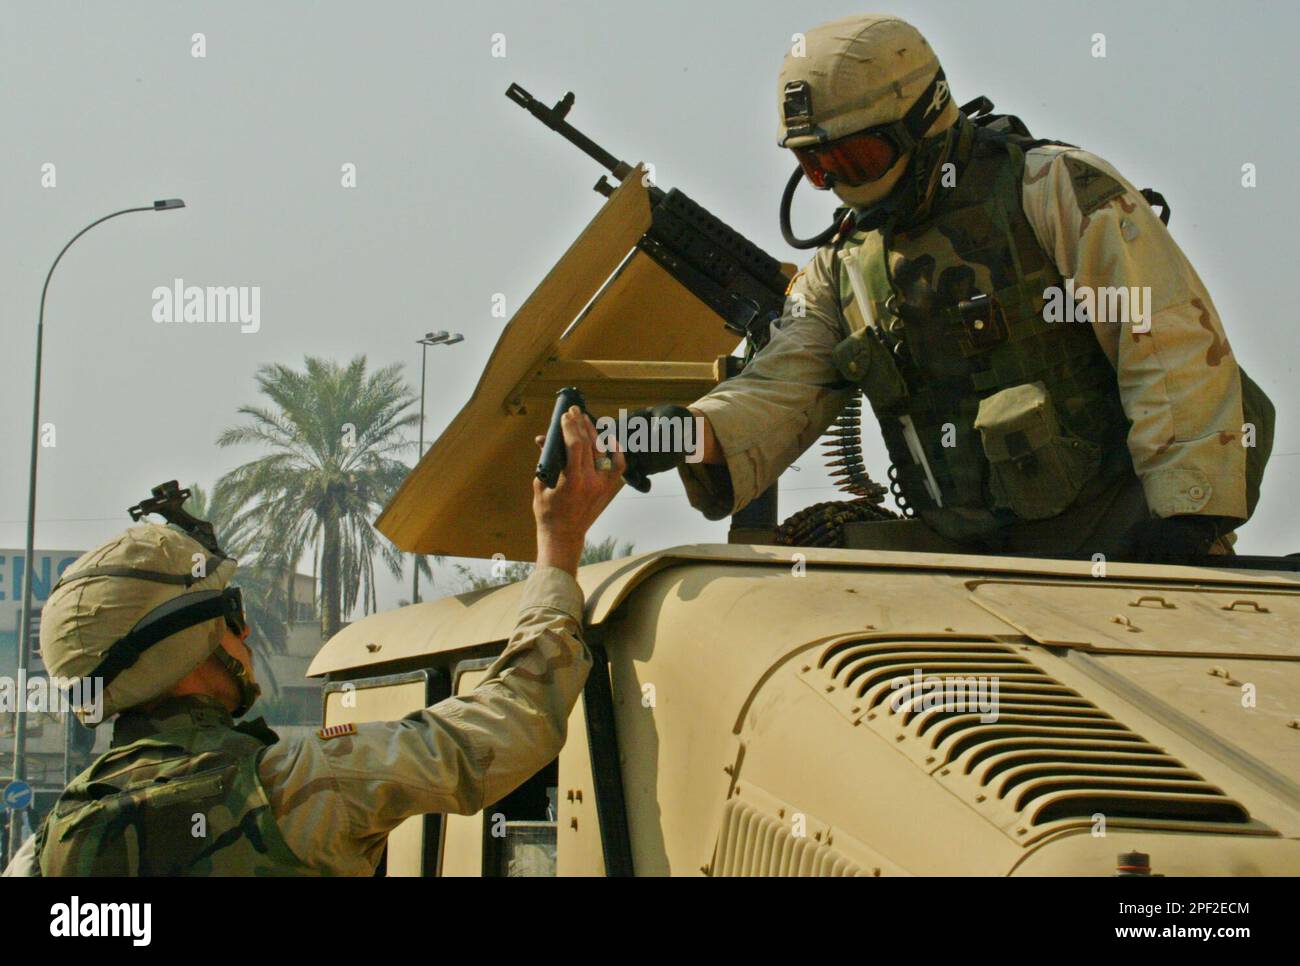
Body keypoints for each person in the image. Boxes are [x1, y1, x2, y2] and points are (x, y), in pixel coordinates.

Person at [630, 13, 1274, 561]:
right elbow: (781, 385)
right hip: (964, 555)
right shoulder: (843, 265)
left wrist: (1182, 527)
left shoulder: (1053, 190)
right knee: (789, 576)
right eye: (816, 166)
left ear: (922, 119)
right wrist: (681, 433)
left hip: (1119, 535)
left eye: (856, 159)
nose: (839, 182)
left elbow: (1168, 349)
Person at [3, 406, 623, 876]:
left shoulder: (50, 845)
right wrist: (558, 544)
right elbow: (508, 724)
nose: (245, 637)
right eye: (231, 614)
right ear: (188, 646)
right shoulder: (293, 782)